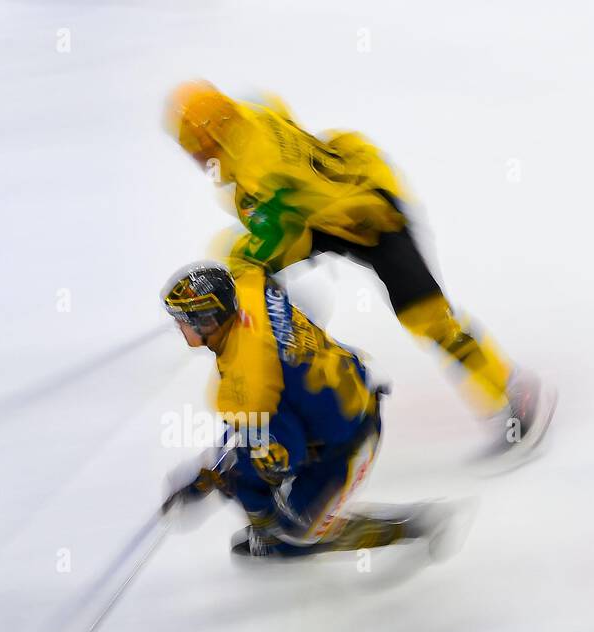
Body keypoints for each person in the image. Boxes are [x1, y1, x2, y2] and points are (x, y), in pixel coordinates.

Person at [164, 81, 556, 461]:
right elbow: (275, 108)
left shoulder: (259, 169)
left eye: (199, 149)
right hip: (327, 211)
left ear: (216, 134)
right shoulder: (251, 115)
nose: (197, 160)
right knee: (241, 261)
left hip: (373, 219)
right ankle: (276, 317)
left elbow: (277, 228)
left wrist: (246, 275)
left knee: (430, 320)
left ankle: (514, 390)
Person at [160, 259, 468, 560]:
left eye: (183, 319)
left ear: (209, 321)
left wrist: (222, 483)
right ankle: (279, 531)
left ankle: (417, 524)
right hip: (346, 392)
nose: (178, 326)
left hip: (350, 436)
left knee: (300, 529)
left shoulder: (249, 381)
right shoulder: (249, 286)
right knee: (260, 468)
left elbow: (280, 461)